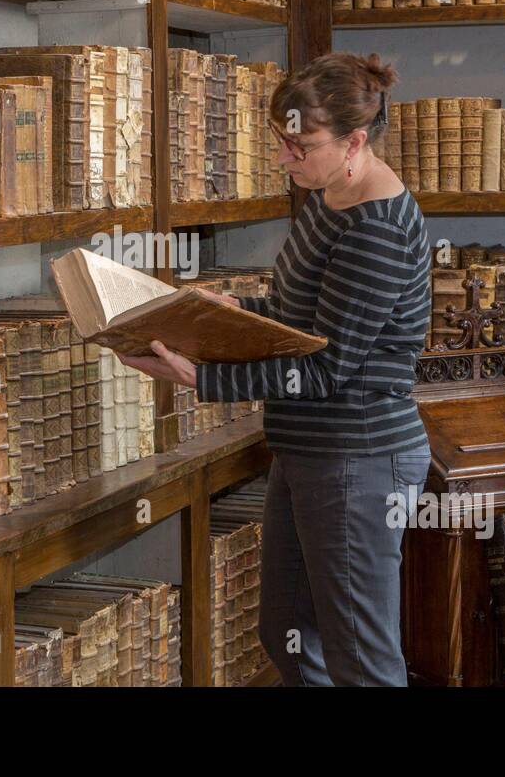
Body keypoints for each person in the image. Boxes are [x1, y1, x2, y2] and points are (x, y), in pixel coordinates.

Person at [118, 51, 432, 686]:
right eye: (280, 141)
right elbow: (302, 319)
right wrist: (233, 311)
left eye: (299, 146)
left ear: (354, 141)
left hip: (358, 456)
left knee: (362, 660)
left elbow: (326, 368)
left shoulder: (376, 228)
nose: (284, 159)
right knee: (288, 634)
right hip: (308, 449)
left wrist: (201, 378)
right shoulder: (330, 192)